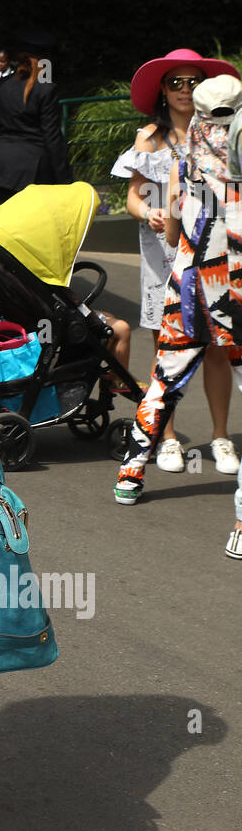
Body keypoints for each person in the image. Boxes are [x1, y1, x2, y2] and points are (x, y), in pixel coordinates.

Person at [115, 75, 242, 509]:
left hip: (187, 288)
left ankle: (130, 474)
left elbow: (170, 234)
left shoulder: (181, 163)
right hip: (235, 286)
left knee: (163, 382)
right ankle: (230, 468)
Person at [0, 39, 71, 210]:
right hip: (32, 173)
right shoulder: (45, 89)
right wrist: (65, 181)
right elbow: (52, 137)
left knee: (0, 233)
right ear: (44, 61)